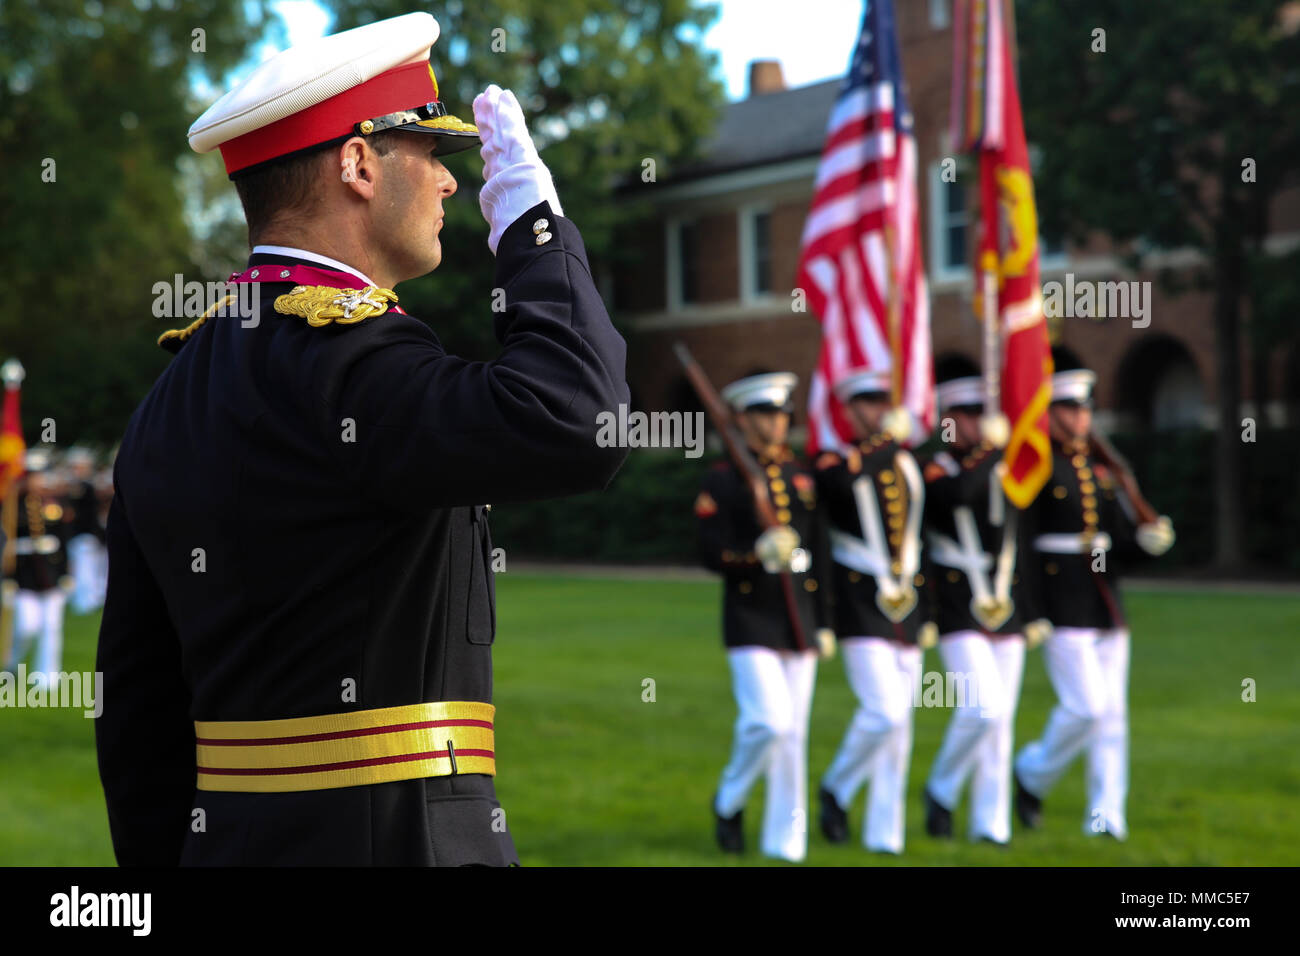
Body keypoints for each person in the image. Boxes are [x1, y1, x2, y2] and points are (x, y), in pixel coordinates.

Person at [94, 12, 630, 866]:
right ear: (356, 162)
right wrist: (532, 227)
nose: (451, 184)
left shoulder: (170, 398)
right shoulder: (350, 357)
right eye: (428, 153)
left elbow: (137, 712)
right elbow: (580, 419)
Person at [1013, 360, 1175, 840]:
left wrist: (1147, 542)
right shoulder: (1039, 466)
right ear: (1051, 413)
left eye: (1084, 408)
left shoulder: (1101, 468)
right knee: (1085, 707)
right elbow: (1023, 544)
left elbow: (1115, 543)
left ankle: (1106, 815)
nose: (1080, 417)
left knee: (1112, 717)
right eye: (1069, 408)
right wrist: (1032, 609)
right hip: (1059, 600)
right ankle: (1032, 772)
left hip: (1103, 598)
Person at [697, 372, 833, 862]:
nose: (775, 423)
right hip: (750, 619)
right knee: (769, 722)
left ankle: (785, 841)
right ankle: (730, 798)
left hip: (799, 619)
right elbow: (710, 553)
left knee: (794, 735)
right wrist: (754, 555)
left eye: (780, 414)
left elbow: (821, 553)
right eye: (764, 414)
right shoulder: (722, 478)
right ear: (741, 419)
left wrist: (825, 623)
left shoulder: (800, 477)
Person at [918, 369, 1047, 844]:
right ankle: (941, 788)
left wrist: (1032, 612)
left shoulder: (1006, 469)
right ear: (948, 420)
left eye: (984, 413)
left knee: (1001, 723)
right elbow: (954, 498)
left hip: (1006, 604)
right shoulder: (936, 468)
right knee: (982, 710)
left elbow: (1023, 542)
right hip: (956, 606)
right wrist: (992, 452)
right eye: (967, 414)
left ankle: (990, 824)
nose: (977, 423)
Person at [815, 367, 934, 855]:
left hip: (907, 604)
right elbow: (842, 488)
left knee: (901, 723)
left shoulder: (906, 463)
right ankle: (838, 788)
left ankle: (885, 833)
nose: (878, 410)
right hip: (858, 601)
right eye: (867, 403)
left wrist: (927, 612)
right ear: (847, 410)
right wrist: (887, 441)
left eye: (884, 401)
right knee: (883, 712)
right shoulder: (832, 460)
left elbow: (919, 540)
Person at [8, 448, 70, 683]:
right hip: (24, 574)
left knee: (51, 628)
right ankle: (12, 662)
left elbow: (63, 538)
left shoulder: (54, 502)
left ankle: (47, 677)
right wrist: (7, 576)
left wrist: (65, 571)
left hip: (51, 571)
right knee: (26, 626)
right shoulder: (12, 504)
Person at [64, 448, 106, 614]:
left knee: (86, 569)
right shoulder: (78, 486)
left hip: (85, 534)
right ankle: (85, 600)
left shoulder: (85, 487)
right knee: (81, 569)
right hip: (79, 534)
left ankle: (87, 602)